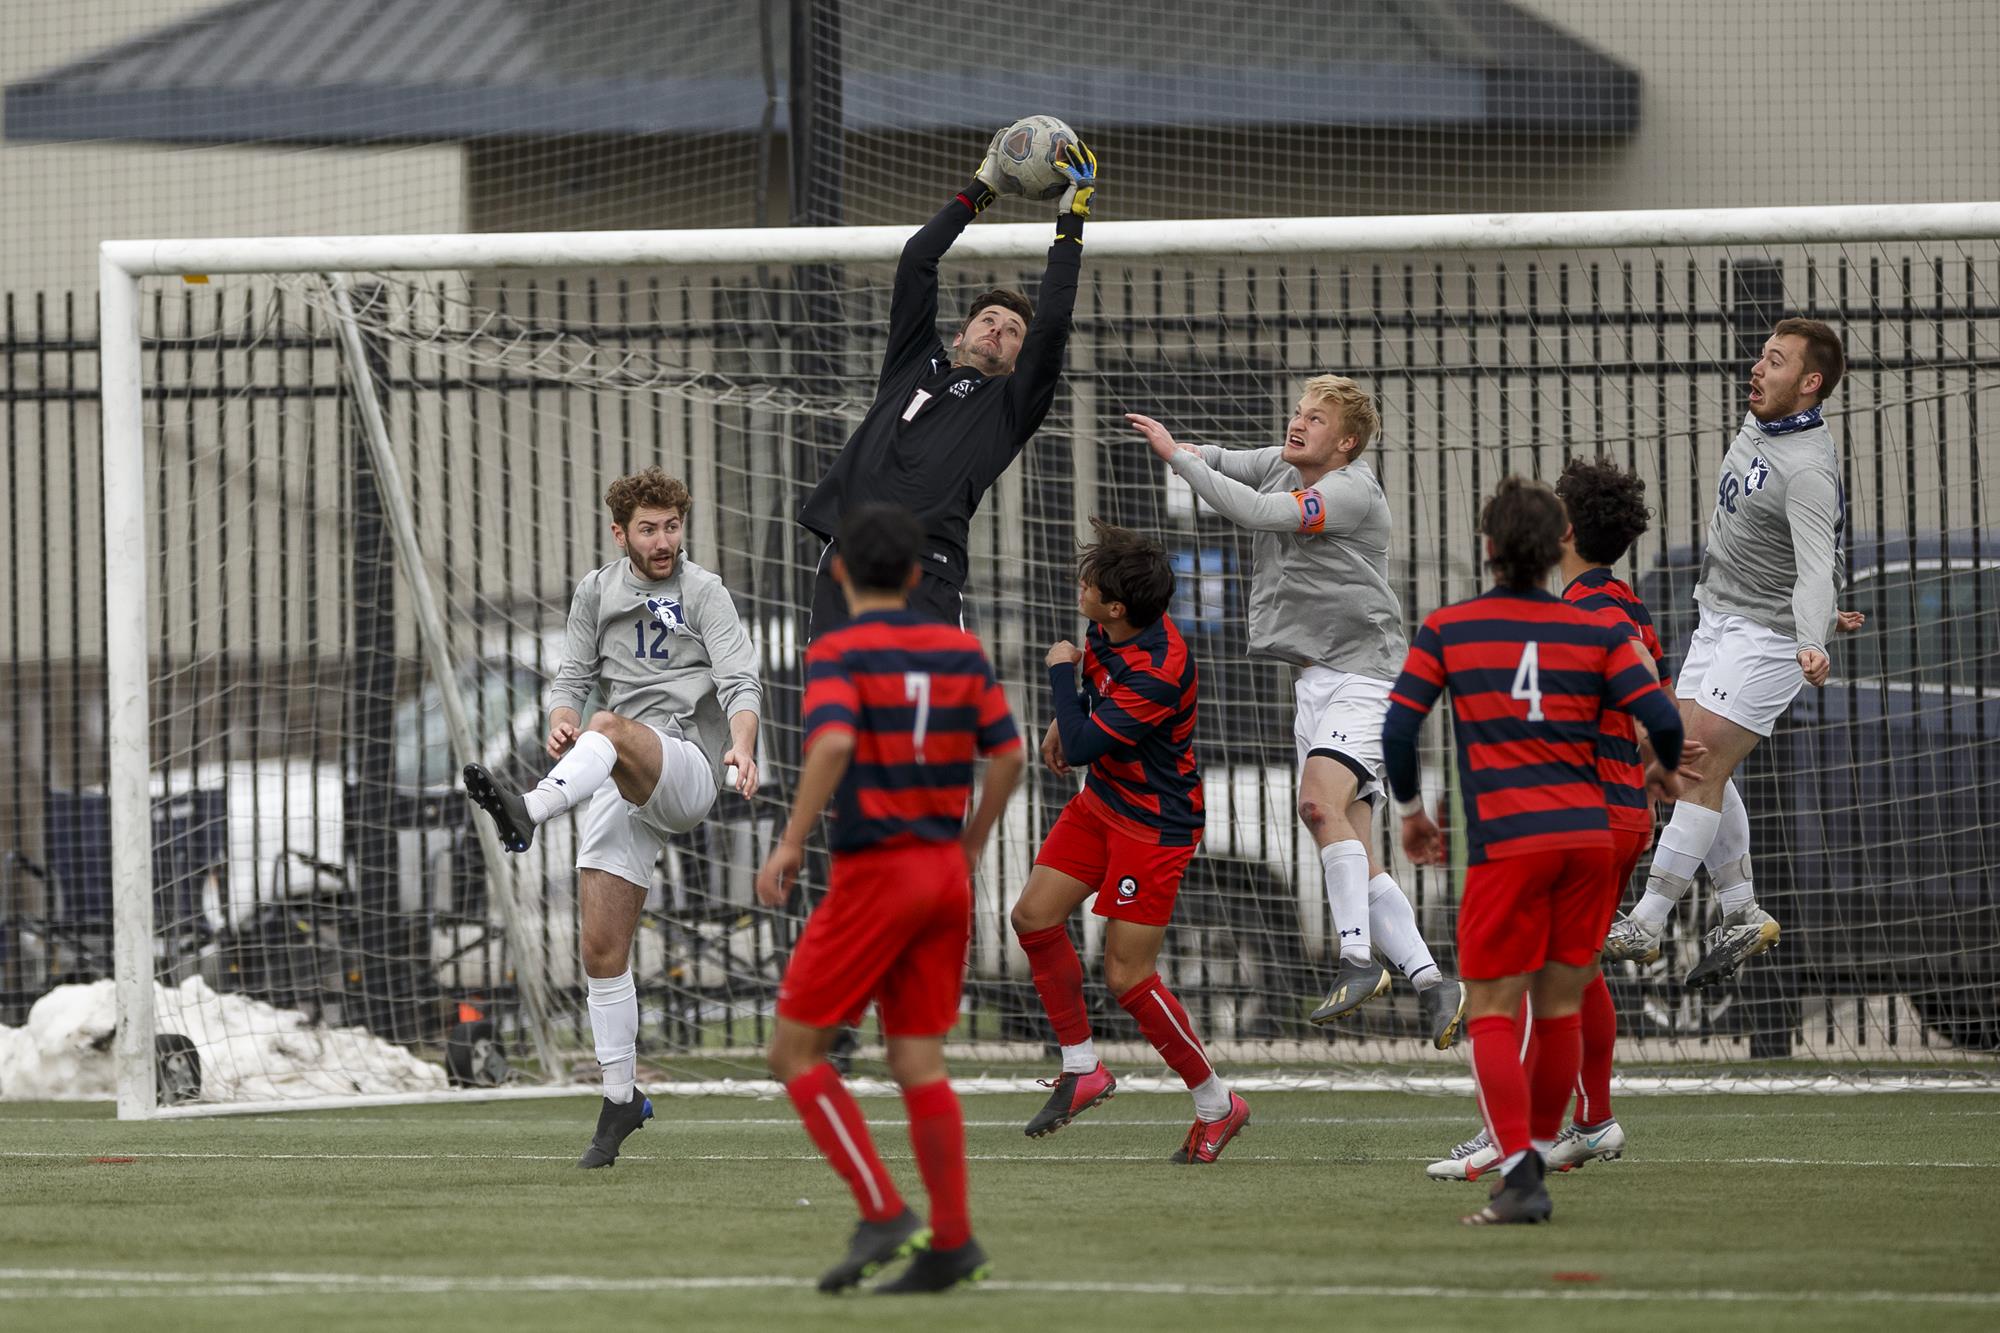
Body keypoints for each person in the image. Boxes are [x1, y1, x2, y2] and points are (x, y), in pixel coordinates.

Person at [1126, 378, 1464, 1045]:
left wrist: (1177, 457)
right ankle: (1434, 982)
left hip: (1367, 680)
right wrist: (1191, 450)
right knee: (1356, 854)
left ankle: (1358, 962)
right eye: (1298, 412)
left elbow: (1256, 512)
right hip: (1316, 684)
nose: (1298, 423)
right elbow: (1226, 459)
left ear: (1346, 442)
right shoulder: (1288, 459)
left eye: (1316, 418)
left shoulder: (1349, 490)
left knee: (1317, 805)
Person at [1384, 477, 1684, 1225]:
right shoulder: (1600, 630)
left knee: (1490, 1006)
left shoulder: (1449, 628)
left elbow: (1396, 730)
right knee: (1559, 1007)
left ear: (1487, 548)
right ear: (1555, 550)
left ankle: (1519, 1168)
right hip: (1586, 837)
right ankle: (1544, 1151)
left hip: (1508, 840)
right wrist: (1660, 767)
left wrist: (1414, 813)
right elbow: (1660, 715)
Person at [755, 503, 1026, 1294]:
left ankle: (882, 1210)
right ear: (915, 574)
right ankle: (953, 1240)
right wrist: (971, 841)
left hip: (877, 871)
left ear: (838, 570)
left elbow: (835, 739)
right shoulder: (960, 650)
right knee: (917, 1058)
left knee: (794, 1052)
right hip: (943, 873)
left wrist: (792, 837)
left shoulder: (840, 649)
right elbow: (1008, 756)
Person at [462, 467, 761, 1168]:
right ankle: (621, 1096)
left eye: (673, 527)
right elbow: (568, 680)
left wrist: (741, 746)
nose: (664, 541)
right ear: (619, 531)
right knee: (600, 948)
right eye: (649, 528)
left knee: (612, 723)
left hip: (685, 764)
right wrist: (563, 726)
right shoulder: (597, 591)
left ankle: (529, 810)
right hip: (621, 777)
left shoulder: (704, 591)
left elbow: (740, 679)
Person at [1602, 319, 1864, 987]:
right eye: (1761, 355)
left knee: (1693, 767)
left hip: (1770, 638)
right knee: (1687, 759)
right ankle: (1742, 910)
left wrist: (1812, 635)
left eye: (1774, 362)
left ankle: (1648, 921)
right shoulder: (1763, 423)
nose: (1757, 368)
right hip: (1719, 614)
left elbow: (1814, 566)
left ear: (1810, 384)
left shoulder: (1808, 469)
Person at [798, 126, 1098, 638]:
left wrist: (1070, 223)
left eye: (1011, 332)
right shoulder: (913, 363)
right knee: (837, 714)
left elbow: (1051, 325)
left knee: (928, 717)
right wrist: (984, 189)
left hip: (926, 571)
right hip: (850, 558)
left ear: (1017, 359)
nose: (997, 332)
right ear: (961, 334)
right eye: (989, 320)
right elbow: (918, 258)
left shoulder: (1010, 404)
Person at [1010, 521, 1249, 1162]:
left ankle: (1217, 1105)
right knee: (1032, 917)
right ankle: (1083, 1067)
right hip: (1103, 804)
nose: (1079, 585)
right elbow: (1090, 712)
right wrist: (1069, 720)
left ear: (1117, 607)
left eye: (1089, 583)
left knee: (1127, 974)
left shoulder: (1161, 668)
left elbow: (1088, 738)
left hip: (1154, 826)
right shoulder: (1107, 627)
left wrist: (1062, 685)